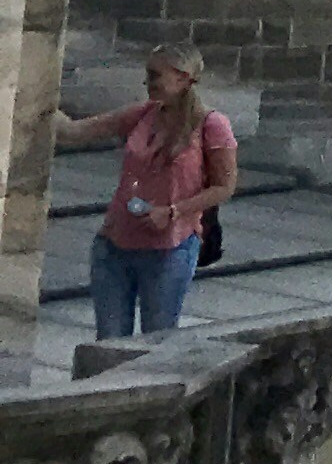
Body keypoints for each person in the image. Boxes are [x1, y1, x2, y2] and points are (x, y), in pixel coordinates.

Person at [53, 43, 236, 337]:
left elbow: (224, 187)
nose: (146, 82)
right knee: (109, 343)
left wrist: (174, 211)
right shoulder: (143, 114)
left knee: (156, 341)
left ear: (182, 77)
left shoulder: (212, 125)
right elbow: (74, 132)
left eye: (154, 75)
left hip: (169, 249)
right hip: (115, 244)